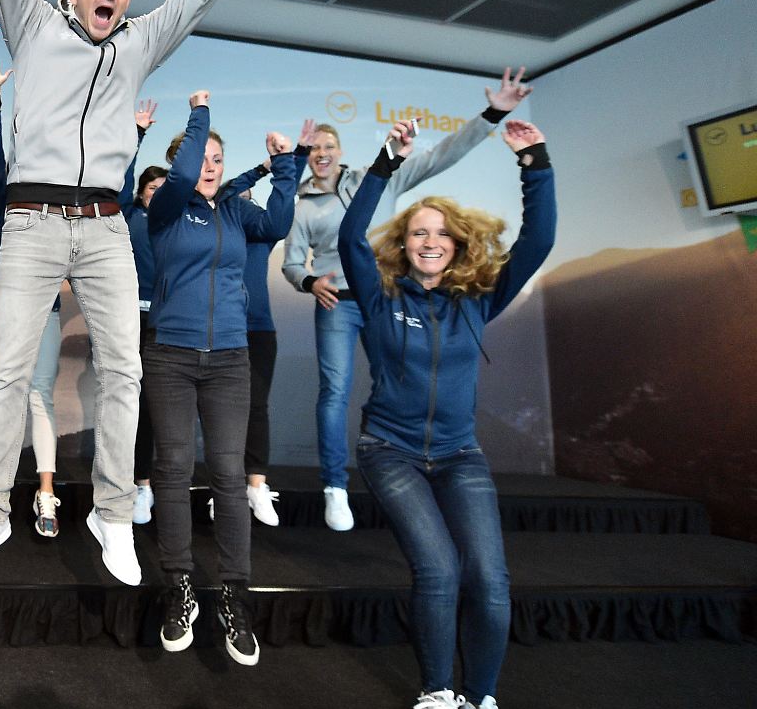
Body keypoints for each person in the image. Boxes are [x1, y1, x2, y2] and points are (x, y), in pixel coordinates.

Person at [0, 0, 238, 585]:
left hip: (108, 227)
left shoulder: (141, 41)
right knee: (8, 372)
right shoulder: (33, 25)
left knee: (124, 372)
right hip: (34, 222)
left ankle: (113, 515)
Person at [339, 117, 554, 709]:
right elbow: (352, 234)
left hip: (461, 456)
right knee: (439, 569)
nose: (430, 240)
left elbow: (537, 243)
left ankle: (480, 703)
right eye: (418, 231)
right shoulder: (379, 299)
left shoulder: (475, 303)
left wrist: (534, 162)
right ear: (405, 245)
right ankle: (435, 693)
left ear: (457, 245)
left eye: (441, 232)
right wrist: (384, 163)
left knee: (490, 582)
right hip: (391, 452)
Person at [283, 68, 531, 530]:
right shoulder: (303, 208)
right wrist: (308, 281)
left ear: (339, 153)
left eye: (328, 148)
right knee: (334, 391)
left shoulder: (380, 179)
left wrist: (494, 113)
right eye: (314, 149)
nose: (321, 155)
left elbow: (442, 155)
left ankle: (433, 468)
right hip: (338, 300)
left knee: (406, 384)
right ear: (310, 156)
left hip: (390, 300)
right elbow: (292, 263)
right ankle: (335, 487)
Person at [145, 91, 298, 664]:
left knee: (230, 475)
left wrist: (282, 166)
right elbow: (185, 172)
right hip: (172, 356)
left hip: (231, 358)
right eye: (199, 157)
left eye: (216, 158)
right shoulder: (166, 205)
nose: (208, 166)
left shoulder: (236, 212)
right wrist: (200, 118)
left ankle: (235, 592)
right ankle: (179, 584)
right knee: (174, 467)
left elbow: (279, 221)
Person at [0, 62, 65, 537]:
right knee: (4, 396)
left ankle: (46, 494)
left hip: (47, 310)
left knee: (39, 398)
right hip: (1, 307)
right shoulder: (7, 201)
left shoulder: (68, 203)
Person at [217, 119, 315, 525]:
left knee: (255, 409)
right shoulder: (218, 218)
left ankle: (254, 485)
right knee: (219, 412)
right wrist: (262, 167)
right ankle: (224, 490)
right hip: (220, 329)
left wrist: (289, 160)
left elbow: (281, 209)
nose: (244, 197)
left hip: (258, 329)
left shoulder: (260, 226)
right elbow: (223, 193)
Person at [119, 101, 162, 525]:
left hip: (164, 322)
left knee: (152, 404)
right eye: (152, 190)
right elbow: (121, 181)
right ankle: (120, 481)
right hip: (128, 317)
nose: (158, 196)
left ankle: (143, 484)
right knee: (123, 399)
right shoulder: (127, 214)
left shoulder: (174, 224)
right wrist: (138, 135)